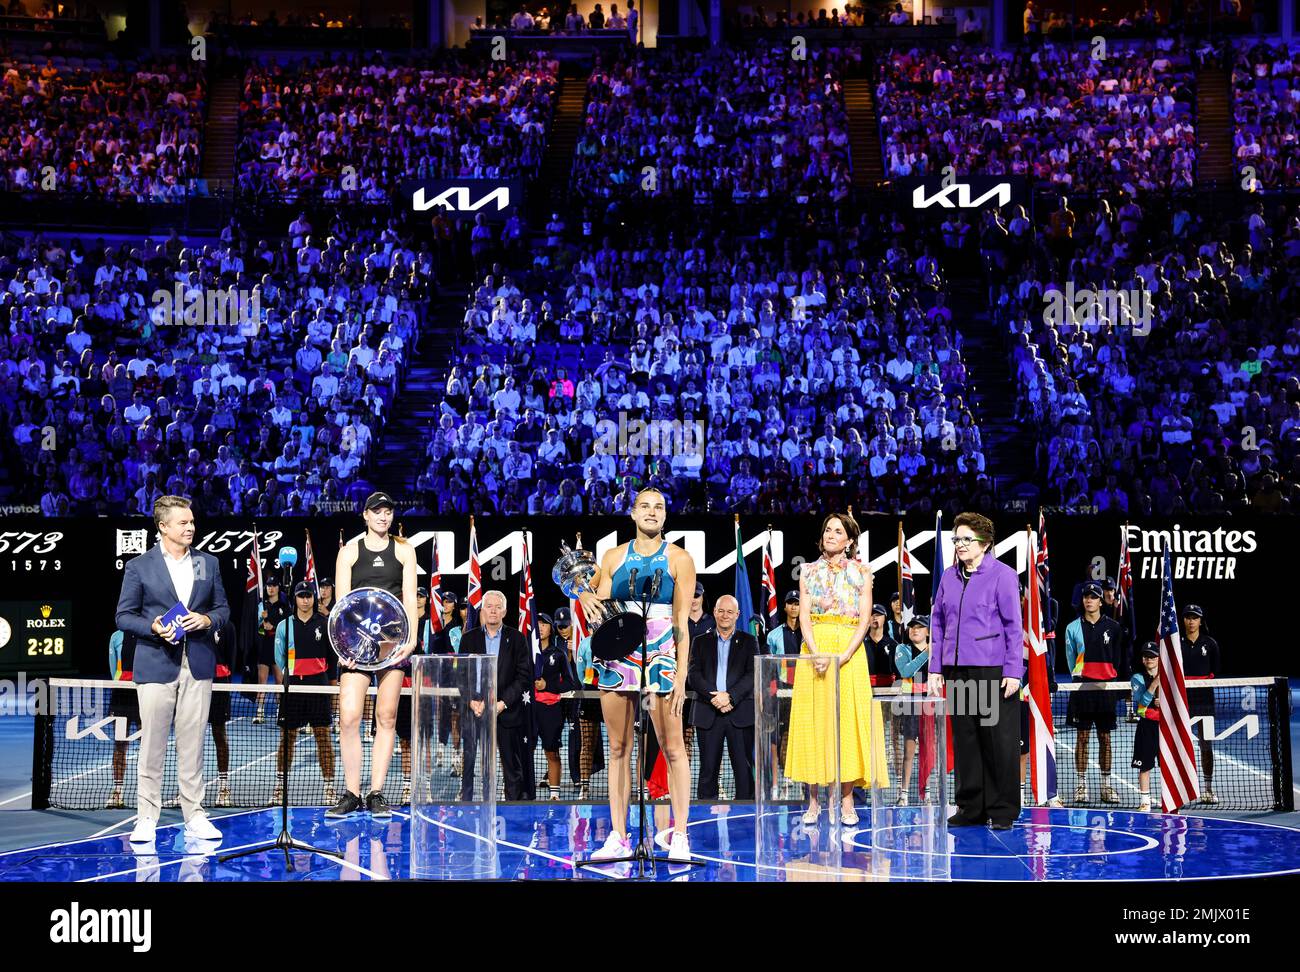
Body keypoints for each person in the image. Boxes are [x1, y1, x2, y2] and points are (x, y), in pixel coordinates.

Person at [577, 486, 696, 862]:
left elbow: (681, 622)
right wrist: (583, 595)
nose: (651, 511)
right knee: (617, 748)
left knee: (673, 748)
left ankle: (679, 835)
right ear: (632, 513)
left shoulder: (680, 559)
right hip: (619, 650)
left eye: (658, 506)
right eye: (644, 505)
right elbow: (595, 602)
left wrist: (679, 677)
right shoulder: (612, 557)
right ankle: (617, 835)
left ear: (665, 515)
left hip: (660, 651)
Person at [115, 495, 230, 845]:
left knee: (192, 745)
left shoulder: (207, 564)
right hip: (155, 665)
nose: (191, 527)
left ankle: (194, 814)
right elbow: (123, 616)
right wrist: (153, 627)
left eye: (192, 521)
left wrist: (207, 619)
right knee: (152, 745)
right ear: (163, 526)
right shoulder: (139, 567)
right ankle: (146, 817)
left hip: (197, 664)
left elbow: (223, 608)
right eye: (183, 522)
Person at [785, 512, 889, 826]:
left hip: (850, 652)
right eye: (828, 529)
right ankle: (813, 800)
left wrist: (844, 654)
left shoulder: (862, 571)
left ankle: (846, 801)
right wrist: (816, 652)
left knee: (848, 723)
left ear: (850, 540)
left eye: (838, 530)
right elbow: (803, 616)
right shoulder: (807, 570)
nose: (831, 534)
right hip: (814, 650)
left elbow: (864, 618)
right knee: (814, 721)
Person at [928, 512, 1023, 831]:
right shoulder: (948, 577)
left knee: (998, 741)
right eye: (956, 539)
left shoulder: (1003, 575)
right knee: (966, 741)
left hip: (992, 670)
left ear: (985, 543)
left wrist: (1013, 670)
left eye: (966, 539)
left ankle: (1002, 808)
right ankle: (970, 807)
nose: (959, 545)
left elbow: (1013, 627)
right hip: (957, 671)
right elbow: (938, 623)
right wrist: (935, 668)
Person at [328, 491, 418, 818]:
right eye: (377, 511)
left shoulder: (405, 551)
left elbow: (409, 599)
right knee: (349, 717)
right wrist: (344, 646)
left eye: (388, 511)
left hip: (394, 644)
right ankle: (352, 792)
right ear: (365, 515)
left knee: (387, 716)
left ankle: (377, 792)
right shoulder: (349, 553)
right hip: (356, 646)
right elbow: (342, 606)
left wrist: (411, 638)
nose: (383, 517)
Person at [458, 590, 533, 799]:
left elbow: (523, 676)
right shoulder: (468, 639)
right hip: (475, 711)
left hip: (505, 713)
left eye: (497, 607)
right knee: (469, 764)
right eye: (489, 606)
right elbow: (461, 675)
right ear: (482, 610)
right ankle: (467, 806)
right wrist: (471, 701)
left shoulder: (517, 639)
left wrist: (502, 703)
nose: (492, 610)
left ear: (504, 612)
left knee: (511, 766)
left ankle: (514, 810)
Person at [687, 594, 757, 800]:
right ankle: (704, 818)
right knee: (707, 771)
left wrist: (730, 697)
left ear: (737, 615)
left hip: (740, 713)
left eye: (729, 612)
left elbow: (752, 674)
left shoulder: (749, 641)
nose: (725, 615)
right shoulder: (699, 642)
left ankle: (746, 818)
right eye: (721, 611)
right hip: (709, 713)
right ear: (715, 613)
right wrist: (715, 698)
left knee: (744, 772)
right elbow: (693, 675)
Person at [273, 581, 337, 806]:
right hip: (294, 689)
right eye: (301, 596)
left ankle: (329, 788)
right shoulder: (285, 626)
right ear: (296, 598)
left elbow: (332, 660)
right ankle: (280, 786)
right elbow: (279, 659)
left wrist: (332, 691)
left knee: (323, 739)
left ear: (314, 598)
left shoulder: (326, 624)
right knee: (287, 740)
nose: (305, 600)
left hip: (318, 688)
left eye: (309, 595)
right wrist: (286, 685)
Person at [1064, 582, 1125, 805]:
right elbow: (1070, 659)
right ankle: (1081, 787)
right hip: (1082, 689)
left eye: (1093, 597)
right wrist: (1081, 677)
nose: (1089, 600)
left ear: (1101, 601)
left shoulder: (1114, 628)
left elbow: (1118, 659)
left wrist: (1111, 681)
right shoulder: (1072, 628)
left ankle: (1106, 787)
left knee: (1105, 739)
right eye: (1086, 597)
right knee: (1082, 738)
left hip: (1105, 690)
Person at [533, 612, 578, 799]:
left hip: (551, 709)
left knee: (552, 752)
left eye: (545, 624)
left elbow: (570, 683)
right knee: (523, 750)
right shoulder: (527, 652)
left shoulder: (558, 654)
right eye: (538, 624)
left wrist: (547, 686)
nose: (541, 627)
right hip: (529, 708)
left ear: (551, 629)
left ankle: (554, 794)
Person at [1179, 604, 1220, 804]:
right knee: (1178, 745)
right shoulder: (1176, 644)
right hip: (1182, 702)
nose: (1191, 621)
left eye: (1194, 617)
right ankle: (1179, 788)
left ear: (1201, 621)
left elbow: (1215, 672)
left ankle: (1208, 788)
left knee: (1206, 745)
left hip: (1205, 703)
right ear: (1183, 620)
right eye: (1187, 617)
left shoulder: (1210, 644)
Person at [891, 614, 932, 805]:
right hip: (910, 704)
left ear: (928, 631)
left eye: (920, 627)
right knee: (909, 751)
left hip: (932, 705)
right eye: (912, 627)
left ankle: (929, 793)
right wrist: (927, 653)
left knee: (930, 750)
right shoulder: (902, 649)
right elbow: (905, 672)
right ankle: (904, 794)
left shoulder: (936, 651)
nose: (915, 629)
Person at [765, 590, 801, 799]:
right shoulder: (774, 635)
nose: (794, 607)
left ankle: (800, 781)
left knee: (799, 736)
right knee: (775, 739)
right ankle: (777, 784)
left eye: (797, 603)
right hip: (780, 691)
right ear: (785, 607)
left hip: (803, 692)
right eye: (790, 603)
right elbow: (769, 667)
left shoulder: (808, 631)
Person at [106, 628, 140, 810]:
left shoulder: (147, 633)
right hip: (121, 695)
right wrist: (119, 684)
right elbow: (113, 668)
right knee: (120, 744)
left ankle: (148, 792)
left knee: (148, 745)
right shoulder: (116, 636)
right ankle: (117, 791)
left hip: (144, 692)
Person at [1130, 643, 1163, 812]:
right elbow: (1141, 707)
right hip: (1147, 726)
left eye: (1153, 656)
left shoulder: (1169, 675)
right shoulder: (1137, 678)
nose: (1149, 659)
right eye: (1146, 657)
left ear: (1159, 658)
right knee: (1145, 765)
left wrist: (1163, 702)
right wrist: (1154, 685)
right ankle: (1145, 801)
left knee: (1166, 764)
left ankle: (1168, 798)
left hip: (1165, 728)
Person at [253, 576, 289, 724]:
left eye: (273, 585)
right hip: (264, 645)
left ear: (278, 587)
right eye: (268, 585)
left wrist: (273, 627)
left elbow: (288, 626)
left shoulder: (284, 605)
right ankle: (259, 712)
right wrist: (262, 622)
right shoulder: (262, 605)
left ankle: (280, 712)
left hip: (278, 646)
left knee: (279, 680)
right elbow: (257, 628)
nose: (271, 588)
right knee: (261, 680)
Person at [208, 618, 237, 807]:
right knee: (189, 739)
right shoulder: (188, 619)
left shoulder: (226, 625)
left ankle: (223, 787)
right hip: (195, 683)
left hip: (219, 684)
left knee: (219, 734)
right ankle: (185, 790)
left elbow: (232, 656)